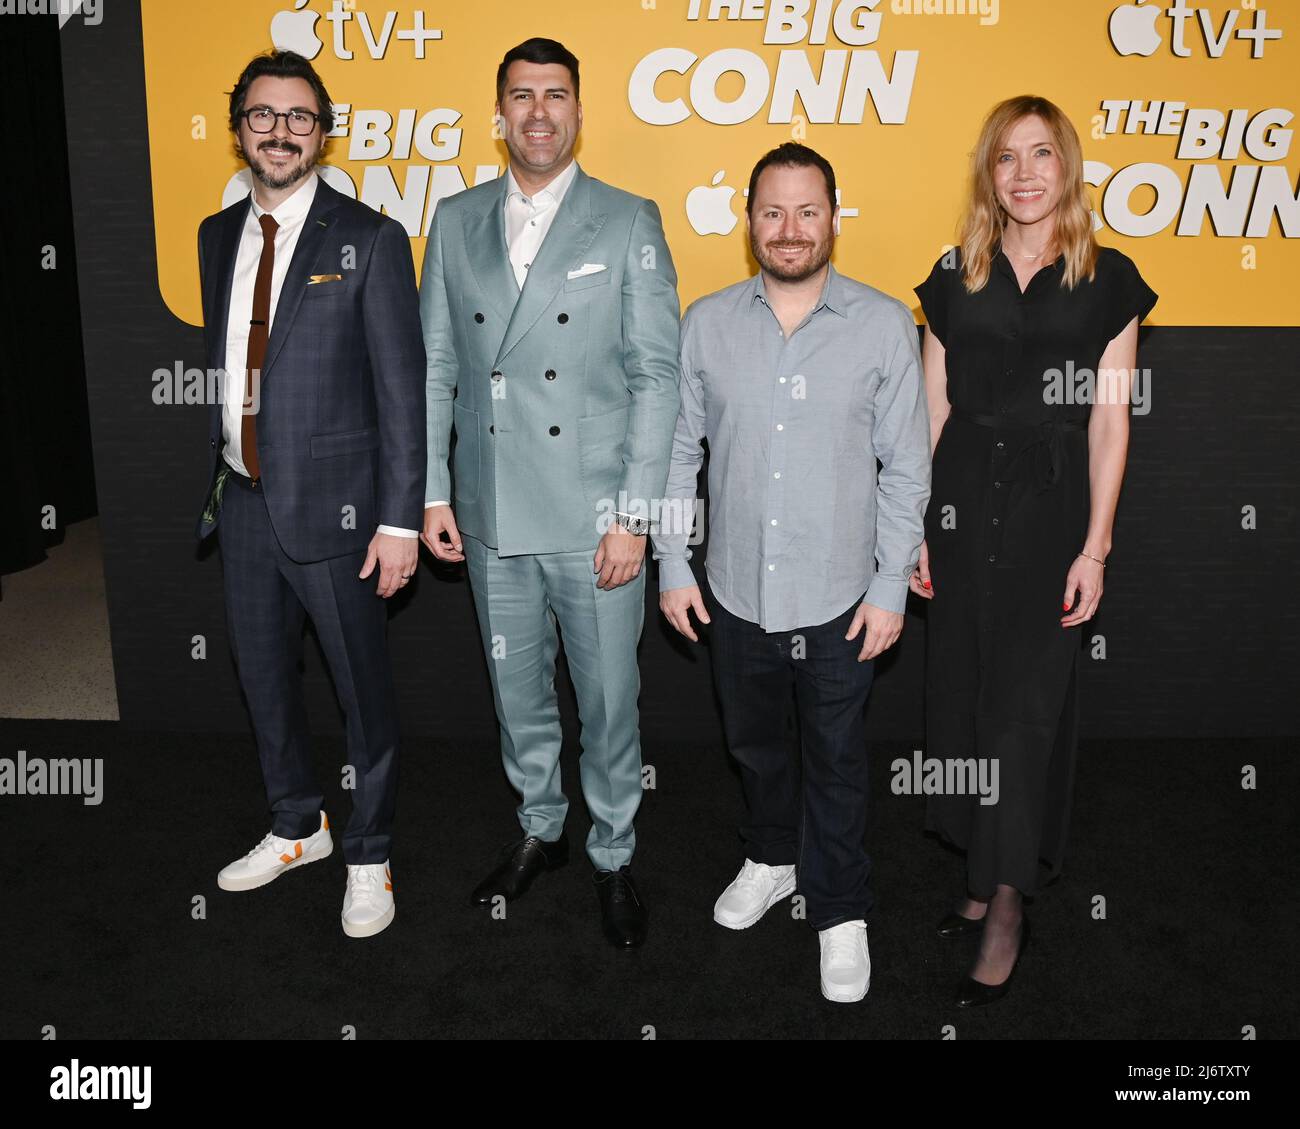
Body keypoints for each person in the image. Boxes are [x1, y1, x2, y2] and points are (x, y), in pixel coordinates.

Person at [418, 38, 680, 947]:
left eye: (555, 96)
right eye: (521, 96)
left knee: (609, 700)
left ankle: (613, 851)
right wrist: (431, 490)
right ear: (500, 113)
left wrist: (635, 516)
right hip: (491, 512)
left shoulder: (628, 219)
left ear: (579, 111)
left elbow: (656, 376)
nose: (538, 113)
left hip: (594, 516)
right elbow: (438, 367)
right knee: (516, 690)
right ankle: (542, 828)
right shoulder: (452, 220)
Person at [654, 143, 931, 1002]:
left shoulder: (885, 325)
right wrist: (671, 560)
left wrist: (891, 584)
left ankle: (841, 906)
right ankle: (772, 857)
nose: (790, 229)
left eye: (808, 211)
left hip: (841, 599)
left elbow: (908, 468)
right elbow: (676, 453)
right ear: (748, 223)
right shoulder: (705, 322)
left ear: (835, 217)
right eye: (772, 211)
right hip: (734, 589)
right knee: (754, 745)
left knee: (840, 758)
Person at [912, 95, 1157, 1005]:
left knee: (1025, 704)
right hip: (961, 499)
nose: (1023, 173)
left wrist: (1095, 547)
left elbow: (1108, 421)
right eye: (1007, 156)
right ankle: (980, 871)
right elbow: (931, 410)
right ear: (989, 171)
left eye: (1041, 154)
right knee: (966, 691)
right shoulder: (952, 274)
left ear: (1068, 167)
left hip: (1053, 507)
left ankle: (1009, 898)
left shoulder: (1111, 277)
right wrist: (914, 523)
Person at [198, 50, 426, 938]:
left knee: (362, 693)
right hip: (244, 499)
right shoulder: (218, 234)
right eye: (263, 114)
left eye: (299, 117)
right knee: (262, 679)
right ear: (240, 126)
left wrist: (400, 517)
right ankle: (298, 822)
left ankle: (370, 851)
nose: (280, 131)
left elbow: (402, 392)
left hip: (340, 514)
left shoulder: (368, 237)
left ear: (323, 133)